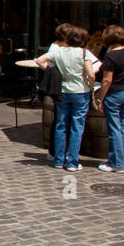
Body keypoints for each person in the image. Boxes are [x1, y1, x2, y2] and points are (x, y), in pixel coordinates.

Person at [36, 24, 98, 172]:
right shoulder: (84, 53)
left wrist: (53, 73)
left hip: (62, 91)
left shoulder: (58, 52)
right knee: (77, 127)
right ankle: (72, 162)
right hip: (80, 92)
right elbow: (91, 74)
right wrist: (91, 85)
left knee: (60, 125)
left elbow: (39, 60)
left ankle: (58, 160)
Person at [94, 25, 124, 173]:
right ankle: (118, 160)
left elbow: (107, 80)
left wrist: (100, 99)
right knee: (122, 127)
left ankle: (116, 163)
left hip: (114, 94)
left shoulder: (110, 56)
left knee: (114, 129)